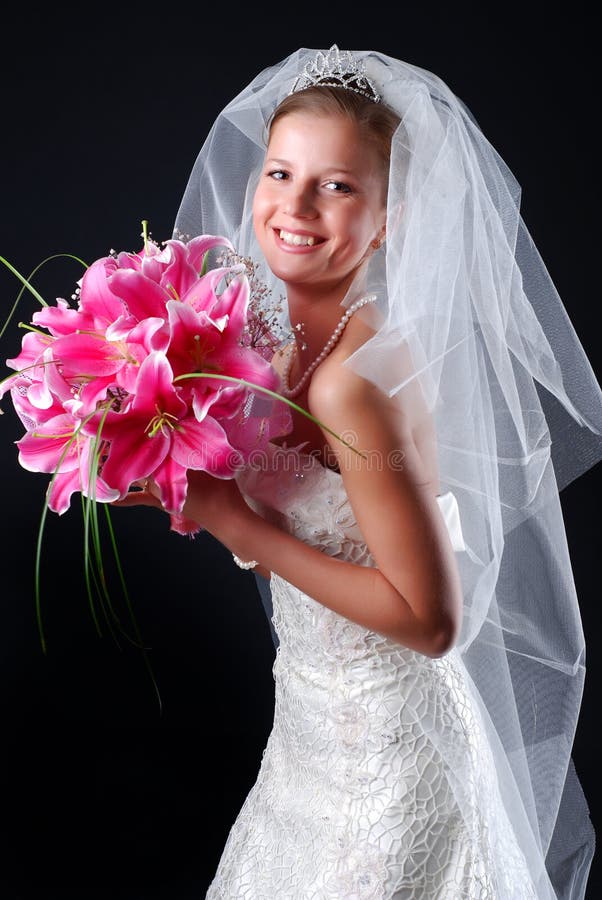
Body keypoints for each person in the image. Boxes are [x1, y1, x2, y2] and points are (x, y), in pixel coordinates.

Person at [120, 47, 601, 897]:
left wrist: (240, 527)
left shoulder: (354, 386)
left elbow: (429, 618)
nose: (295, 207)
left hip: (389, 750)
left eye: (337, 186)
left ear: (387, 220)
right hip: (308, 721)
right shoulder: (256, 335)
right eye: (279, 172)